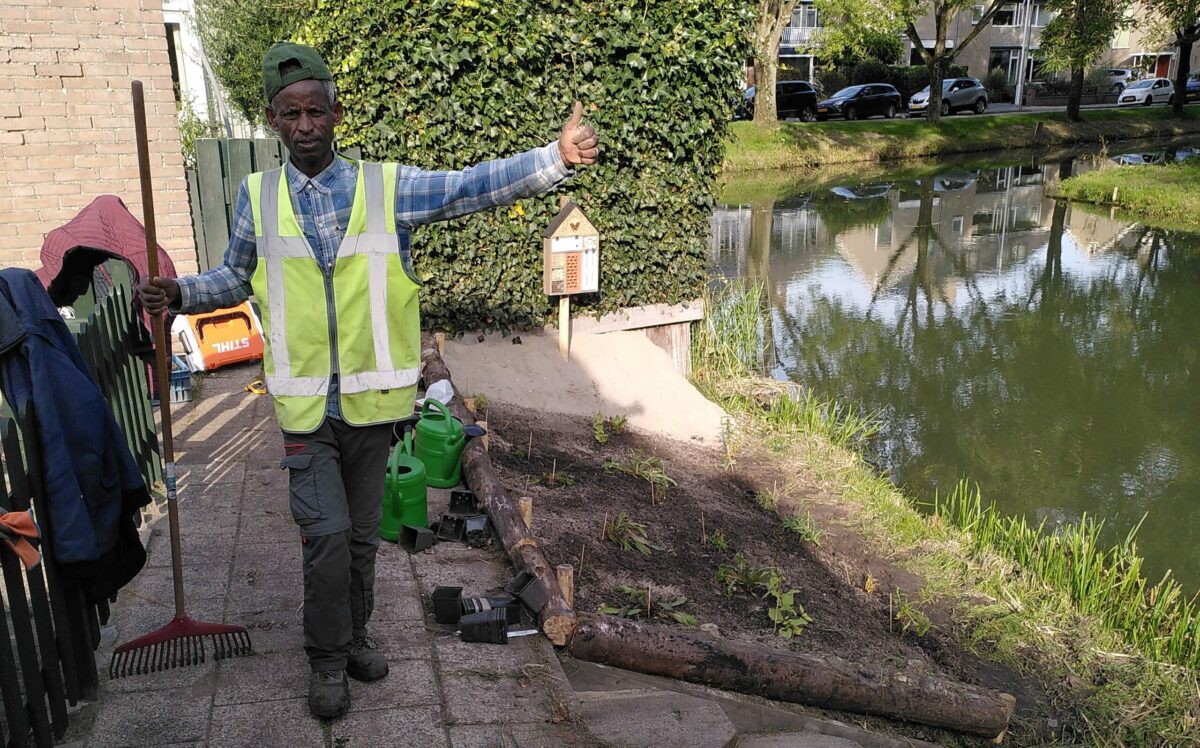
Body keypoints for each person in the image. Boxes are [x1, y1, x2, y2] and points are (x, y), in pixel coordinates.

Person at [138, 42, 599, 719]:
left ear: (336, 113)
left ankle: (354, 637)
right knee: (323, 538)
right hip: (303, 410)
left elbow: (467, 187)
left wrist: (553, 159)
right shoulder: (257, 198)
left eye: (315, 112)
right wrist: (178, 291)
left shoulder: (386, 188)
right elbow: (233, 278)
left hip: (373, 409)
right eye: (290, 114)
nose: (304, 126)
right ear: (273, 119)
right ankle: (326, 663)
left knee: (359, 539)